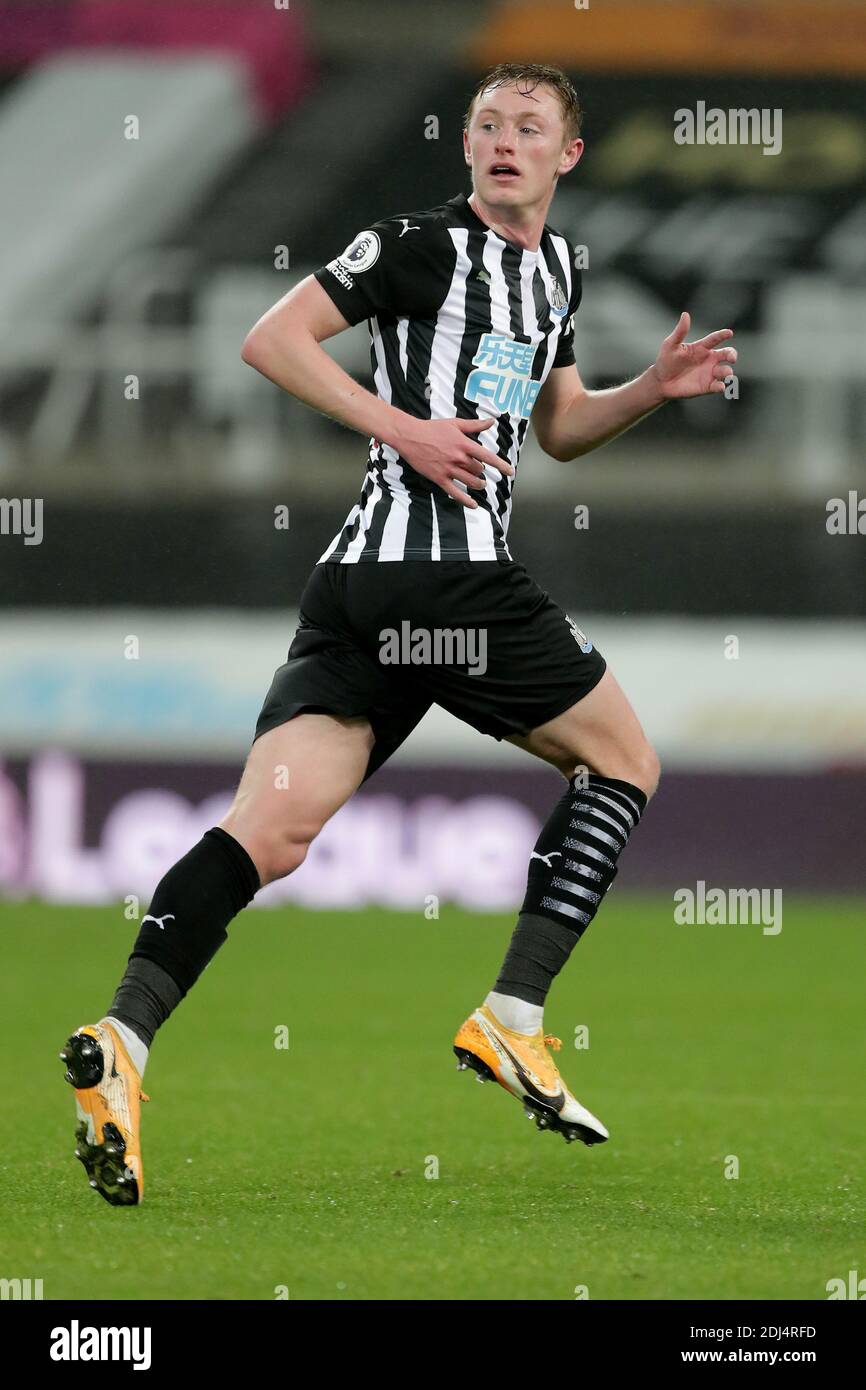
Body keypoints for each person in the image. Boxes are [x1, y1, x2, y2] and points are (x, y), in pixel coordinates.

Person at [61, 62, 736, 1203]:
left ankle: (121, 1040)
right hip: (442, 574)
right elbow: (274, 339)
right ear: (464, 147)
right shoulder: (418, 242)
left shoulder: (558, 269)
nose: (502, 140)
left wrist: (644, 392)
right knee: (624, 760)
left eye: (528, 126)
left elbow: (556, 426)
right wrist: (404, 430)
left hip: (364, 599)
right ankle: (512, 1012)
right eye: (485, 125)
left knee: (270, 833)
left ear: (568, 155)